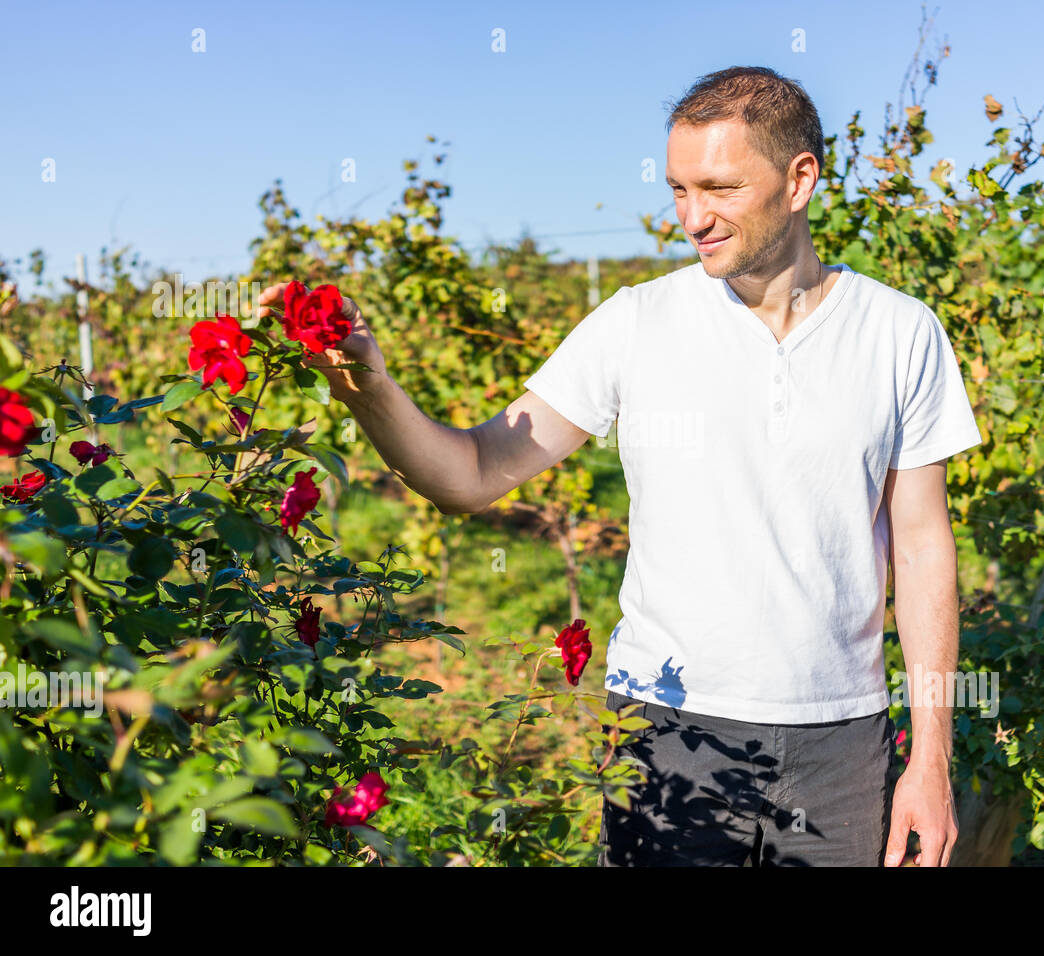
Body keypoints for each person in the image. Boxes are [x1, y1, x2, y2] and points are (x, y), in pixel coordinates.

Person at [258, 64, 982, 868]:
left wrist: (931, 761)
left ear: (800, 178)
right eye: (677, 189)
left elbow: (921, 549)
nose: (692, 217)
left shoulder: (899, 333)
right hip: (668, 730)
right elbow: (469, 472)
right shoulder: (636, 324)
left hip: (843, 742)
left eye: (718, 187)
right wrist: (369, 387)